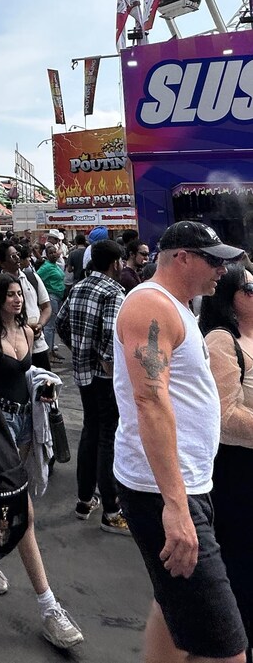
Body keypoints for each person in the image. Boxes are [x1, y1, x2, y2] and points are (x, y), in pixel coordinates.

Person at [113, 220, 247, 663]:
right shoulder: (150, 306)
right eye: (214, 261)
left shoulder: (178, 305)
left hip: (182, 484)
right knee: (228, 649)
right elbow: (149, 401)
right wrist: (175, 505)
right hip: (165, 490)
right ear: (183, 258)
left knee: (171, 606)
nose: (222, 272)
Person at [0, 273, 83, 648]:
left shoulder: (30, 333)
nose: (18, 300)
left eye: (20, 294)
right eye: (10, 295)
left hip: (25, 424)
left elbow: (34, 371)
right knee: (23, 510)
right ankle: (49, 607)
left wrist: (44, 388)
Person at [56, 239, 129, 534]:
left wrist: (80, 350)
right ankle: (112, 511)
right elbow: (112, 337)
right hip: (104, 377)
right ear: (115, 263)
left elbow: (61, 324)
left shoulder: (79, 288)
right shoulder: (114, 292)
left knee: (91, 431)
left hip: (83, 374)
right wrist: (106, 362)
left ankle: (85, 500)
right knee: (107, 437)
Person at [200, 264, 253, 654]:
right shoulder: (221, 340)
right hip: (237, 470)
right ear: (231, 298)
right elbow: (223, 416)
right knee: (241, 561)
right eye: (249, 288)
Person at [0, 241, 52, 369]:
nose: (18, 258)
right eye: (12, 256)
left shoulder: (32, 278)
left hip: (38, 345)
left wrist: (40, 325)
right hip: (11, 349)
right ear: (2, 263)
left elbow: (46, 307)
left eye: (17, 254)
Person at [37, 244, 66, 361]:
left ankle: (52, 350)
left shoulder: (55, 265)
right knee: (49, 327)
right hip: (52, 297)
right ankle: (48, 353)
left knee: (53, 326)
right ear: (47, 255)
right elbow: (37, 279)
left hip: (58, 297)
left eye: (55, 252)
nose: (54, 254)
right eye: (51, 253)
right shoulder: (46, 267)